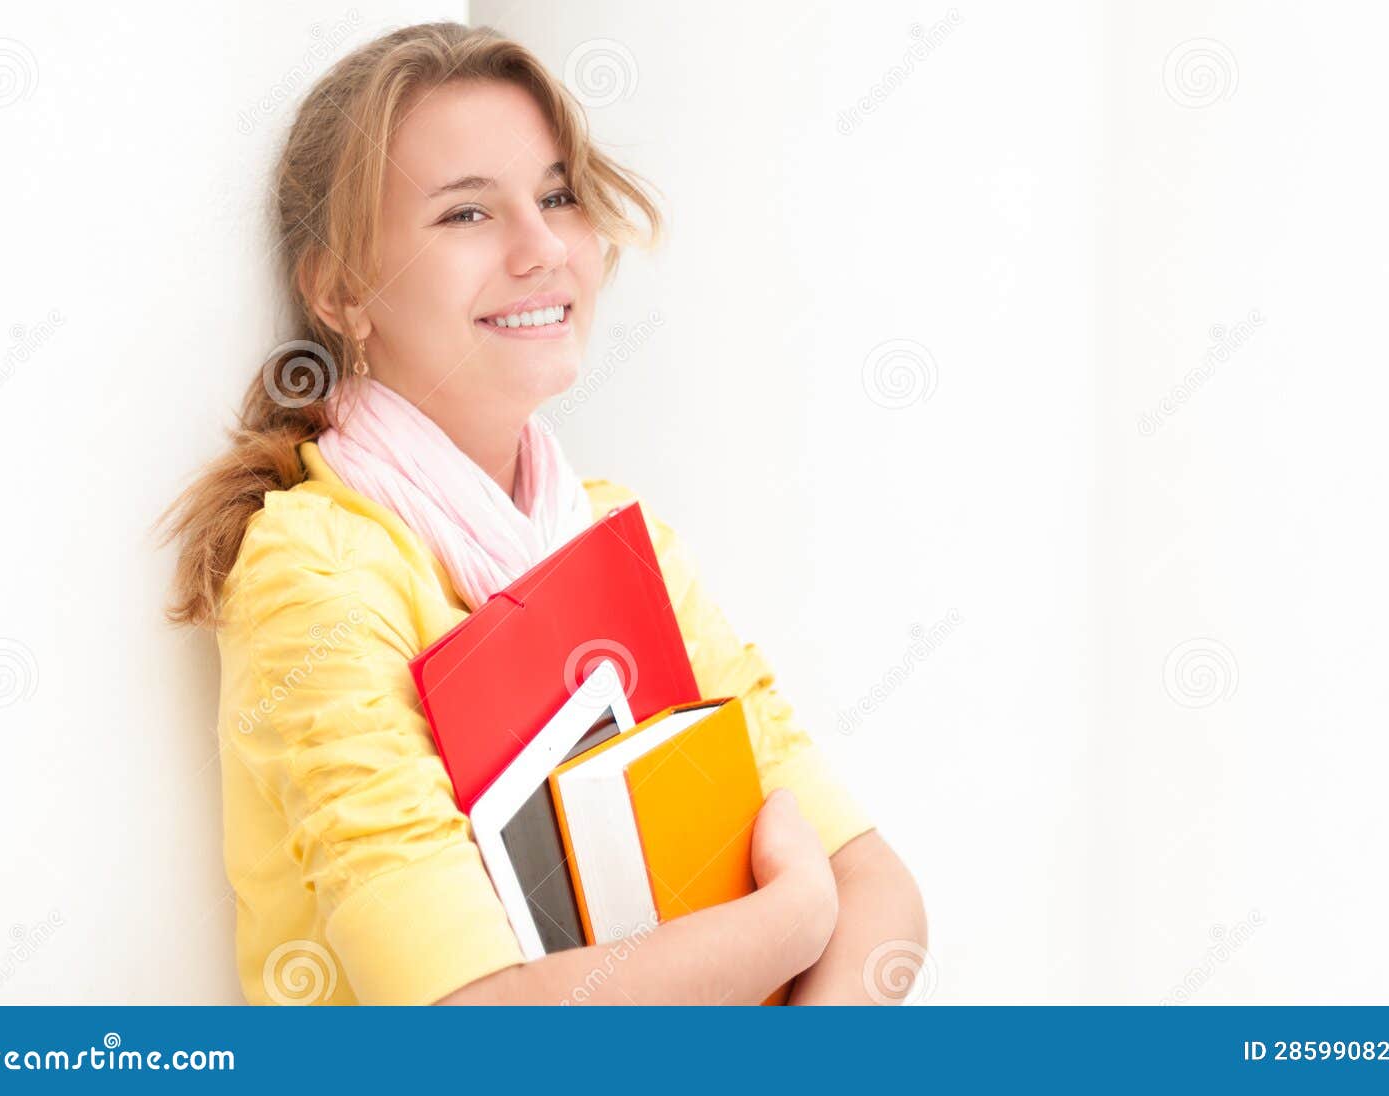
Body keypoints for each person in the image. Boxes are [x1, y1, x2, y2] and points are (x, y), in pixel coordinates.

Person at [159, 21, 925, 1006]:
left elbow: (877, 886)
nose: (541, 248)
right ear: (342, 289)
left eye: (557, 196)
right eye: (467, 214)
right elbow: (473, 1020)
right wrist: (789, 921)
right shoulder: (317, 568)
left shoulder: (613, 534)